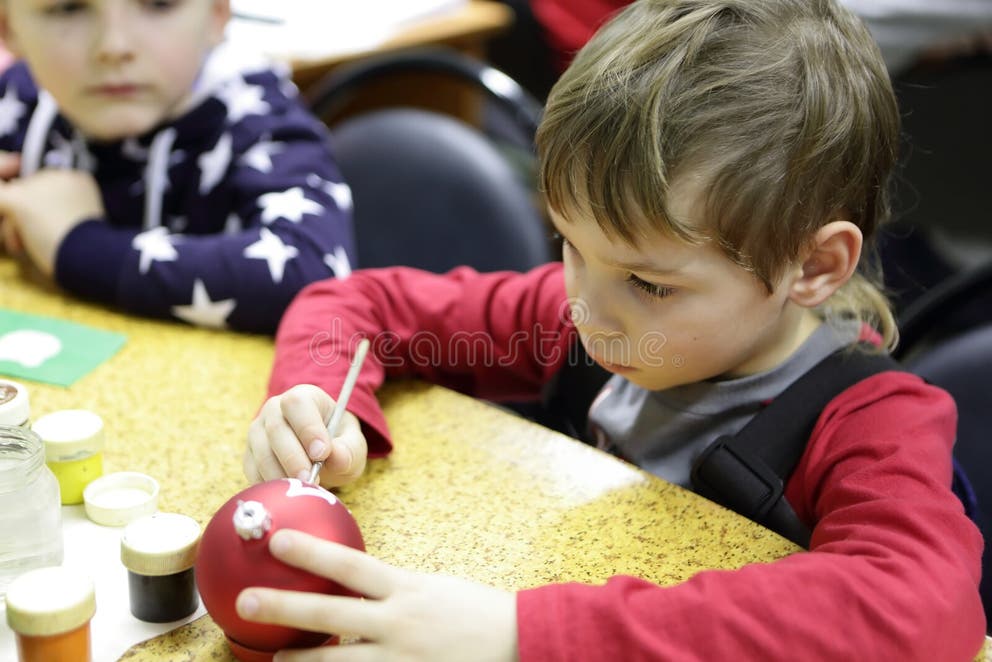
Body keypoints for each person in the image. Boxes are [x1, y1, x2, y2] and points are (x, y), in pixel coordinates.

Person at [239, 0, 986, 659]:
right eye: (569, 243)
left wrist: (520, 636)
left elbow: (925, 616)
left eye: (650, 283)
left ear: (814, 266)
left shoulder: (873, 424)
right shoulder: (585, 311)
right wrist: (316, 398)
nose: (585, 307)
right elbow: (357, 308)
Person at [0, 0, 355, 334]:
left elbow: (316, 274)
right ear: (8, 27)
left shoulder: (257, 118)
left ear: (217, 13)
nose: (113, 46)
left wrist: (76, 244)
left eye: (159, 3)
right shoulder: (19, 100)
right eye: (68, 7)